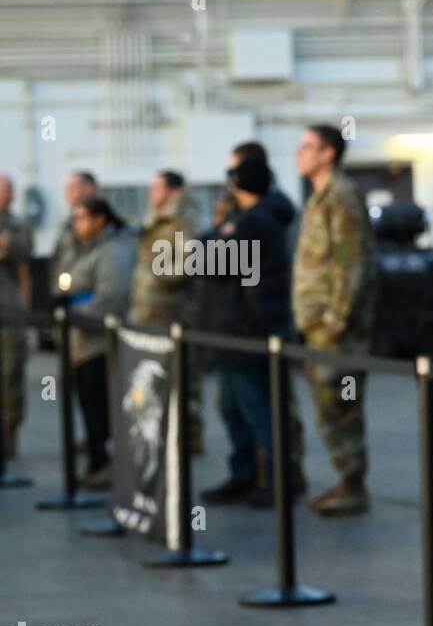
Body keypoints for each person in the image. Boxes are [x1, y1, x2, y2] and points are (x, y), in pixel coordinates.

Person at [292, 123, 377, 515]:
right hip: (318, 327)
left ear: (328, 153)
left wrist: (336, 320)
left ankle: (353, 483)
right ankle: (345, 479)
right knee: (328, 407)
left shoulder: (340, 195)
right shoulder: (319, 197)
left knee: (341, 404)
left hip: (335, 329)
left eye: (308, 147)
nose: (300, 153)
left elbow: (351, 261)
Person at [199, 159, 293, 507]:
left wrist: (215, 232)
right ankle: (245, 474)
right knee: (233, 408)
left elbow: (210, 264)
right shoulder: (249, 220)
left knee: (256, 410)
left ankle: (276, 480)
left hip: (247, 328)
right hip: (235, 327)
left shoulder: (255, 222)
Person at [128, 170, 204, 449]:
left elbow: (189, 264)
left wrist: (156, 276)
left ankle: (189, 436)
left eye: (157, 187)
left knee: (183, 377)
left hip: (173, 312)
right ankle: (166, 431)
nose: (151, 192)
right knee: (155, 375)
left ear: (173, 191)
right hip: (150, 312)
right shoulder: (155, 221)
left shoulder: (182, 222)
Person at [63, 196, 134, 488]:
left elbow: (111, 297)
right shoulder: (85, 249)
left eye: (82, 218)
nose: (77, 225)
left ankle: (105, 464)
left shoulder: (112, 252)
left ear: (100, 219)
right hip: (82, 342)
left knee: (100, 407)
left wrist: (74, 311)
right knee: (89, 405)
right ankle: (97, 461)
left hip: (99, 344)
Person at [0, 175, 32, 457]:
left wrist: (7, 247)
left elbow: (25, 254)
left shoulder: (18, 225)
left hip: (9, 312)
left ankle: (9, 436)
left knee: (11, 374)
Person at [51, 171, 98, 294]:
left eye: (73, 188)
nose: (68, 193)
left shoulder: (102, 222)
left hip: (93, 296)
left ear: (89, 189)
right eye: (67, 189)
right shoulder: (66, 225)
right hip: (68, 294)